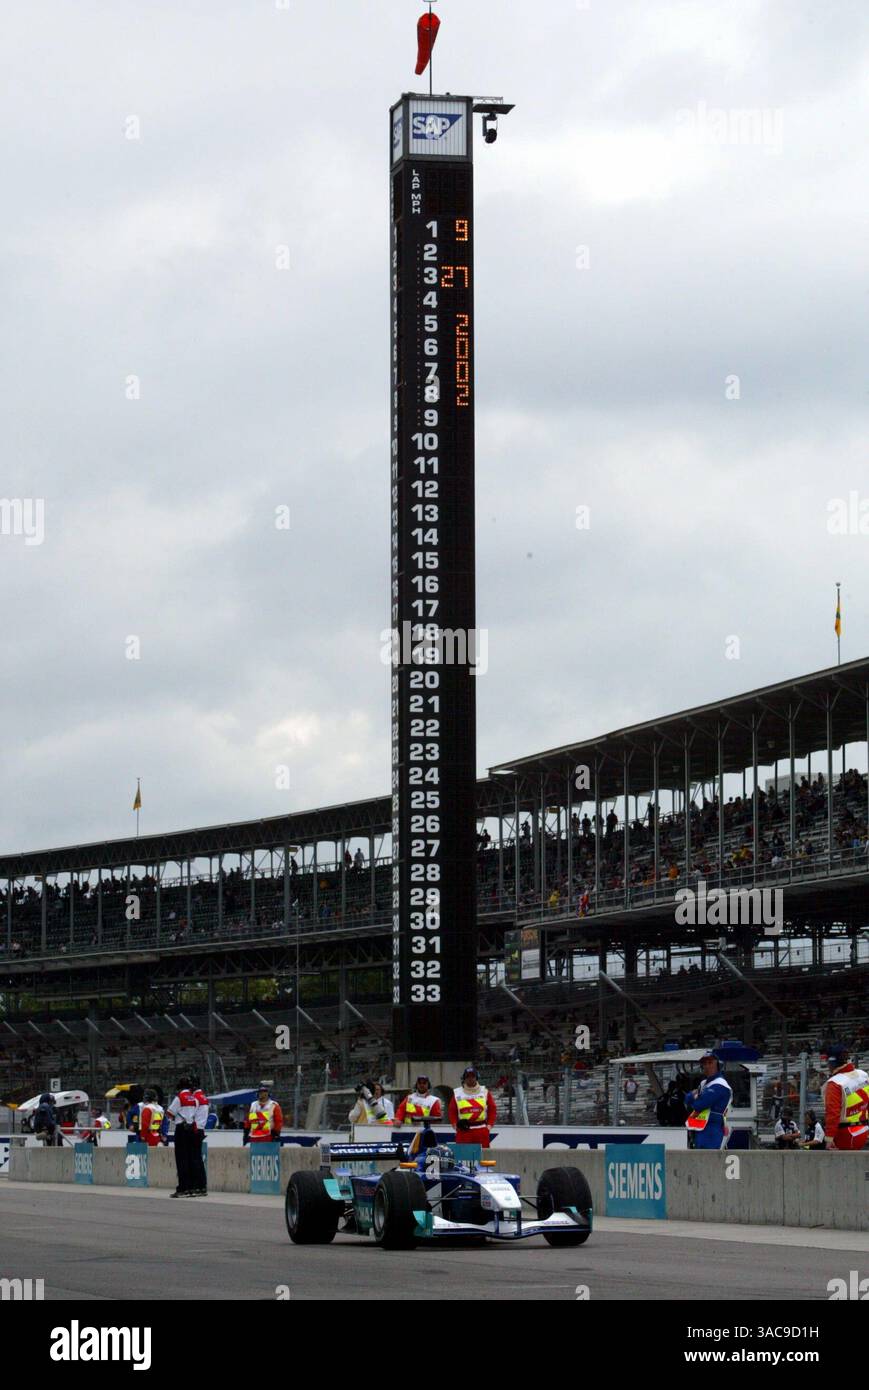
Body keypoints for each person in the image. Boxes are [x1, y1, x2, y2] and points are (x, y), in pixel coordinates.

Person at [683, 1050, 732, 1150]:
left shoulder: (720, 1084)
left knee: (709, 1160)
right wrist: (695, 1097)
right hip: (700, 1127)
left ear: (718, 1065)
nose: (707, 1066)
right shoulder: (704, 1083)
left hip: (713, 1129)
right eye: (704, 1063)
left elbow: (700, 1104)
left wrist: (695, 1096)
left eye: (710, 1062)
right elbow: (687, 1099)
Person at [822, 1046, 869, 1151]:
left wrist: (829, 1139)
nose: (827, 1065)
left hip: (846, 1134)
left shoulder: (834, 1083)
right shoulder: (863, 1074)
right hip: (863, 1130)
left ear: (832, 1063)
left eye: (827, 1062)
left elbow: (832, 1113)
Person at [449, 1066, 496, 1149]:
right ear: (464, 1078)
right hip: (463, 1131)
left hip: (481, 1130)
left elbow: (492, 1109)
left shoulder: (484, 1092)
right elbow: (452, 1112)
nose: (470, 1079)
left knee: (482, 1158)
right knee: (462, 1158)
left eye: (472, 1076)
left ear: (476, 1077)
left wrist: (488, 1126)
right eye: (467, 1076)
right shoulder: (457, 1093)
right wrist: (456, 1126)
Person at [166, 1076, 198, 1197]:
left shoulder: (179, 1098)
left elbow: (169, 1113)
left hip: (181, 1129)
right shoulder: (194, 1098)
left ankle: (182, 1188)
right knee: (190, 1159)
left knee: (181, 1160)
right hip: (191, 1129)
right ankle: (191, 1188)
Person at [189, 1074, 209, 1196]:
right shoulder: (203, 1097)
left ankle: (198, 1185)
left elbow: (190, 1115)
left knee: (194, 1159)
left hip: (195, 1130)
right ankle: (201, 1185)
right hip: (200, 1130)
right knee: (198, 1159)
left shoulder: (195, 1098)